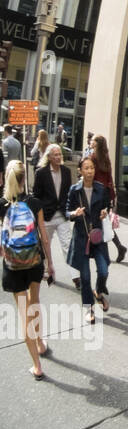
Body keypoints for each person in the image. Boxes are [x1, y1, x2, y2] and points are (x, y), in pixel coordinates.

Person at [2, 161, 48, 380]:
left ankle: (37, 366)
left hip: (13, 266)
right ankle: (40, 343)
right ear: (24, 179)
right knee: (35, 301)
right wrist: (50, 264)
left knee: (23, 313)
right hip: (34, 262)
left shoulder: (2, 205)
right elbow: (44, 237)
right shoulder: (35, 203)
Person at [67, 155, 112, 325]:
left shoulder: (101, 188)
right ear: (80, 171)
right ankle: (89, 308)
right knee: (85, 276)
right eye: (86, 168)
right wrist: (74, 213)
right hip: (81, 237)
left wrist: (105, 211)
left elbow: (107, 206)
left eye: (92, 168)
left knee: (104, 270)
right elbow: (67, 211)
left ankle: (99, 292)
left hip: (97, 236)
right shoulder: (74, 190)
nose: (90, 171)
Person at [32, 144, 73, 286]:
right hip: (47, 216)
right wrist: (38, 215)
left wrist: (70, 209)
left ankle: (76, 276)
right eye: (55, 155)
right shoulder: (41, 173)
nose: (58, 157)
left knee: (68, 245)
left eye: (59, 154)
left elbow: (69, 193)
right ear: (49, 157)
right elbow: (36, 196)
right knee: (44, 245)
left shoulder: (66, 171)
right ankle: (45, 270)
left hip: (62, 215)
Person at [90, 135, 127, 264]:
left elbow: (92, 177)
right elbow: (109, 178)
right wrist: (112, 194)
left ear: (97, 144)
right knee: (103, 222)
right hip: (105, 193)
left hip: (97, 193)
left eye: (93, 140)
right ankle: (119, 247)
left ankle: (106, 249)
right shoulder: (105, 158)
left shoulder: (93, 158)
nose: (90, 142)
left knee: (100, 222)